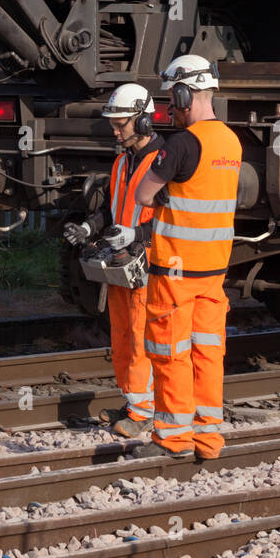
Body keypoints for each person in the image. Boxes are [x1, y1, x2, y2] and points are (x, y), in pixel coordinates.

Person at [131, 54, 241, 461]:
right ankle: (209, 439)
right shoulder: (231, 140)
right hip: (214, 271)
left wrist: (164, 194)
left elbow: (143, 194)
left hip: (175, 271)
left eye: (171, 100)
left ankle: (173, 439)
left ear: (183, 93)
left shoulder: (182, 143)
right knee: (209, 352)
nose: (169, 109)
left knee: (169, 352)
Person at [64, 83, 164, 437]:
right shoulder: (123, 161)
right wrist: (87, 228)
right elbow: (112, 210)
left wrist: (136, 237)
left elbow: (172, 219)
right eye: (114, 123)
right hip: (122, 262)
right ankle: (134, 402)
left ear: (144, 121)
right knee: (122, 334)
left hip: (145, 261)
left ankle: (144, 412)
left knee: (140, 336)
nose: (116, 129)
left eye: (121, 123)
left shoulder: (162, 162)